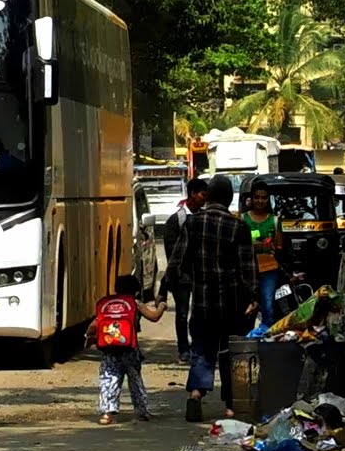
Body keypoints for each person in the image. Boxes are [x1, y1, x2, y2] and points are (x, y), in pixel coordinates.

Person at [161, 174, 258, 423]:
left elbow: (176, 263)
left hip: (202, 301)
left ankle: (195, 394)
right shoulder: (239, 227)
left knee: (202, 350)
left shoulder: (193, 224)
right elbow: (248, 269)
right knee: (228, 353)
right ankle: (230, 406)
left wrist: (173, 288)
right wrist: (253, 298)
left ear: (209, 197)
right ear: (229, 198)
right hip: (232, 303)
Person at [84, 274, 165, 425]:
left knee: (109, 379)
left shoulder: (106, 303)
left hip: (109, 350)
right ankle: (141, 412)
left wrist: (88, 337)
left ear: (116, 289)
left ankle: (107, 414)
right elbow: (154, 317)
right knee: (135, 380)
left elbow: (94, 325)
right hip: (130, 349)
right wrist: (161, 306)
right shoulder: (135, 303)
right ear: (136, 290)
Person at [158, 178, 208, 363]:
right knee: (181, 314)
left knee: (199, 314)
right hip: (182, 276)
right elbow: (171, 254)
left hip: (200, 275)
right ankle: (183, 349)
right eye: (203, 194)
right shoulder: (175, 220)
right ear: (193, 194)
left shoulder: (204, 217)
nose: (205, 198)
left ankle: (197, 346)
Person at [243, 181, 289, 327]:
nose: (260, 201)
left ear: (268, 199)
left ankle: (266, 342)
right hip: (247, 271)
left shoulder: (275, 220)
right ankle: (247, 340)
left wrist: (272, 247)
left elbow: (280, 247)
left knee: (268, 307)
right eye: (257, 197)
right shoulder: (242, 219)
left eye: (264, 198)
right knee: (247, 309)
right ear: (252, 198)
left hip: (269, 270)